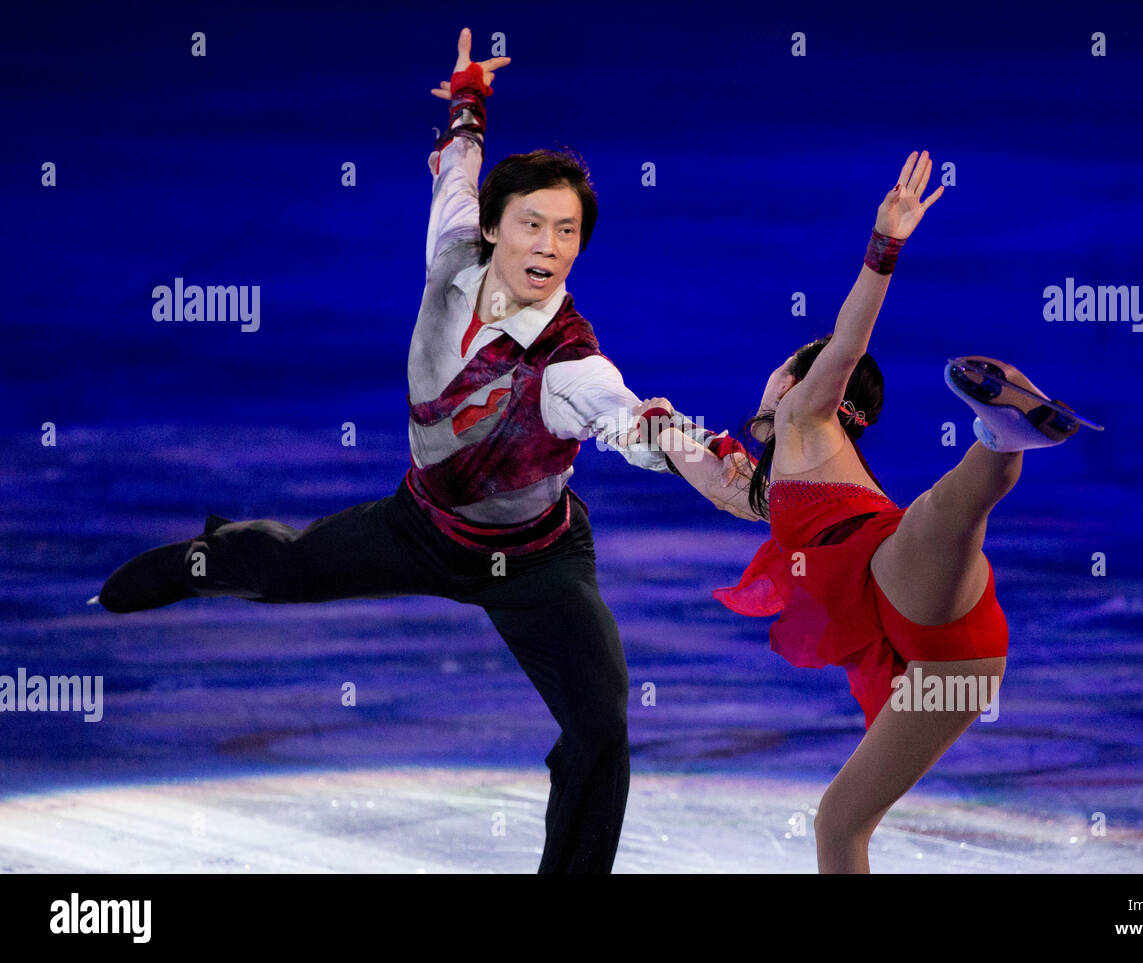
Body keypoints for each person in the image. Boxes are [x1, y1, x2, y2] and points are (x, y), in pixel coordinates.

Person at [92, 28, 727, 874]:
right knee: (282, 569)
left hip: (537, 560)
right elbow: (460, 169)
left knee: (601, 729)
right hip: (422, 525)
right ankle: (205, 557)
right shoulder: (452, 250)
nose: (547, 245)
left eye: (567, 231)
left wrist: (690, 443)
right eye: (532, 224)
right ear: (496, 228)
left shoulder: (570, 360)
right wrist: (469, 102)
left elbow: (628, 420)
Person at [641, 150, 1097, 872]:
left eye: (793, 368)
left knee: (939, 514)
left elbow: (848, 343)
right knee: (839, 824)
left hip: (910, 594)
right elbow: (714, 478)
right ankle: (1003, 435)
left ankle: (1001, 433)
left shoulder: (803, 419)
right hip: (957, 666)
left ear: (799, 381)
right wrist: (650, 426)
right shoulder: (777, 481)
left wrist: (885, 247)